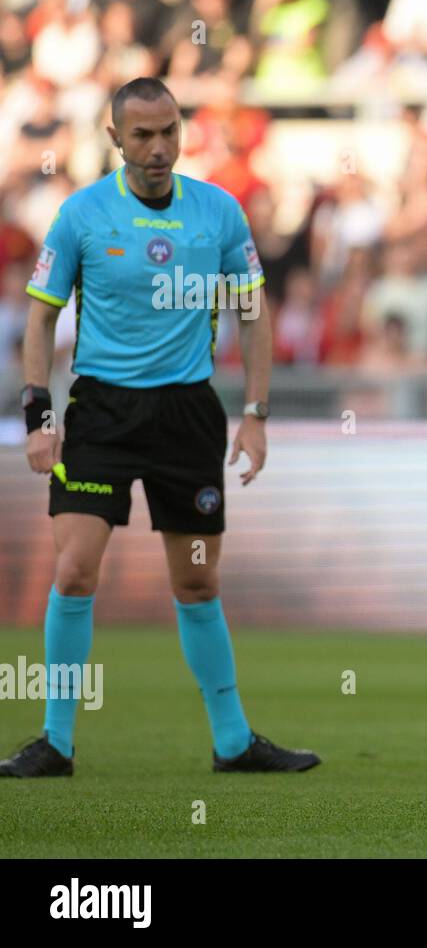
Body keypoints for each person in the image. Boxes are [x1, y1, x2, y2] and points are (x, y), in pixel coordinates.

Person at [2, 78, 319, 777]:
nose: (158, 147)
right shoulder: (81, 216)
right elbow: (42, 317)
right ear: (115, 138)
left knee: (198, 584)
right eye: (142, 134)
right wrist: (38, 418)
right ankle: (55, 741)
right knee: (75, 570)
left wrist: (257, 416)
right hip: (102, 416)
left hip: (187, 416)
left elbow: (253, 314)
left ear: (182, 131)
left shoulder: (219, 214)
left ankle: (233, 742)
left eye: (168, 131)